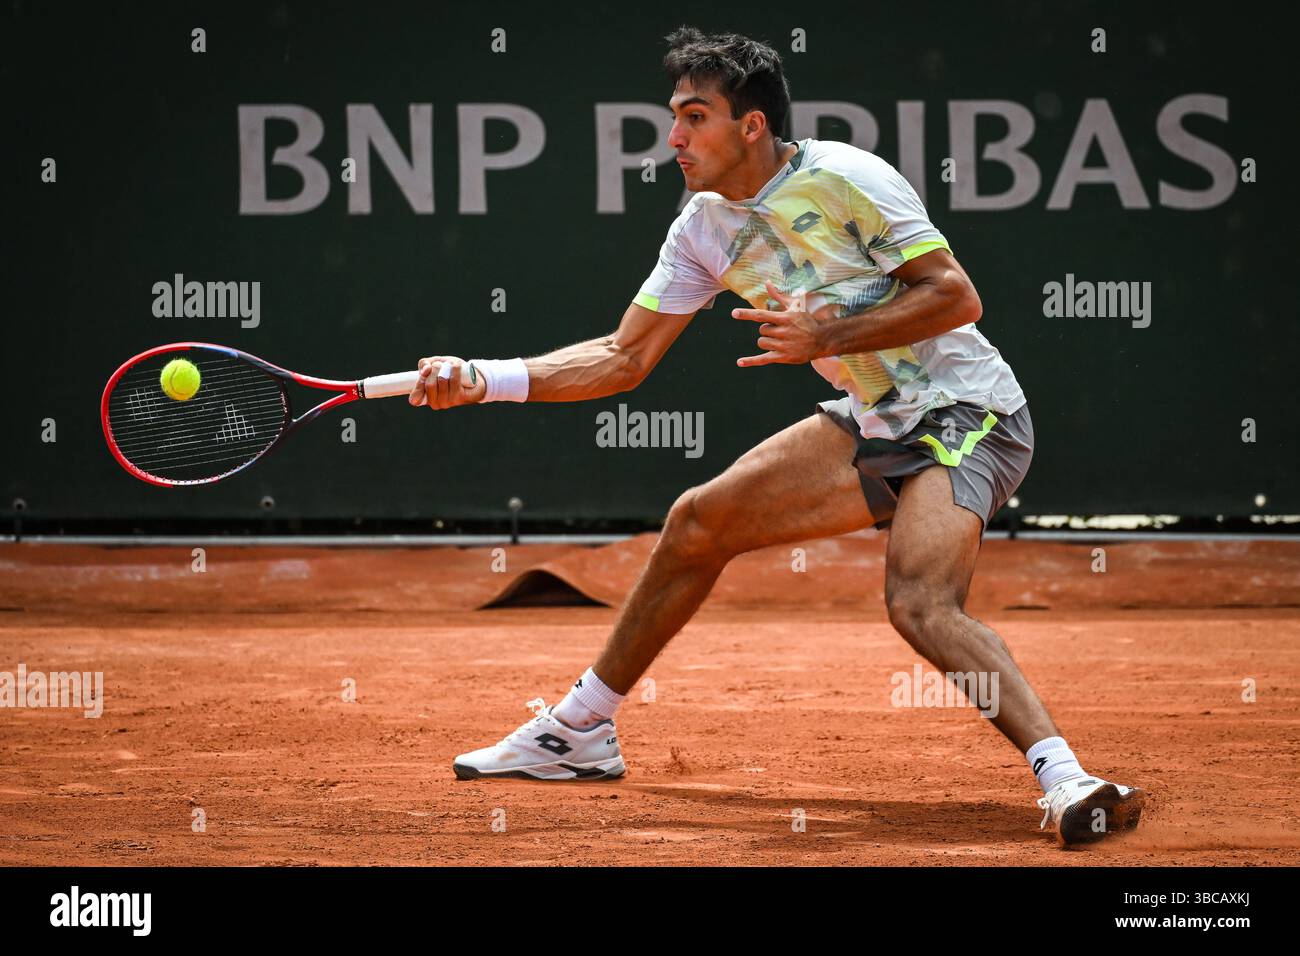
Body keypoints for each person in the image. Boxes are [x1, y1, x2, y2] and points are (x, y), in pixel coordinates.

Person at [409, 26, 1145, 847]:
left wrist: (827, 336)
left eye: (695, 117)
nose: (675, 138)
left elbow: (956, 297)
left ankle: (1067, 779)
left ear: (751, 125)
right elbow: (623, 358)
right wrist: (486, 376)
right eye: (674, 117)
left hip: (968, 414)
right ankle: (578, 732)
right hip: (872, 420)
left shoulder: (848, 178)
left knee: (918, 599)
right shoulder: (701, 228)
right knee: (697, 523)